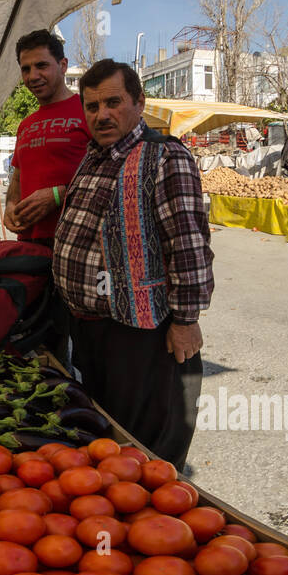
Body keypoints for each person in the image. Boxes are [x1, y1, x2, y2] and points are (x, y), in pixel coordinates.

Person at [51, 59, 211, 465]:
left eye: (113, 102)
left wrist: (186, 320)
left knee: (145, 448)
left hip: (140, 337)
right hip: (91, 331)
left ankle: (155, 519)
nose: (101, 114)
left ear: (139, 103)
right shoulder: (94, 156)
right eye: (91, 106)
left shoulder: (165, 157)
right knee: (109, 432)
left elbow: (189, 245)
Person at [4, 29, 89, 243]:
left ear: (63, 65)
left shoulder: (90, 112)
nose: (33, 76)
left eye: (41, 65)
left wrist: (59, 195)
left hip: (77, 245)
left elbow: (114, 175)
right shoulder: (25, 124)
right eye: (26, 69)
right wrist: (10, 205)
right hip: (30, 246)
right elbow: (18, 174)